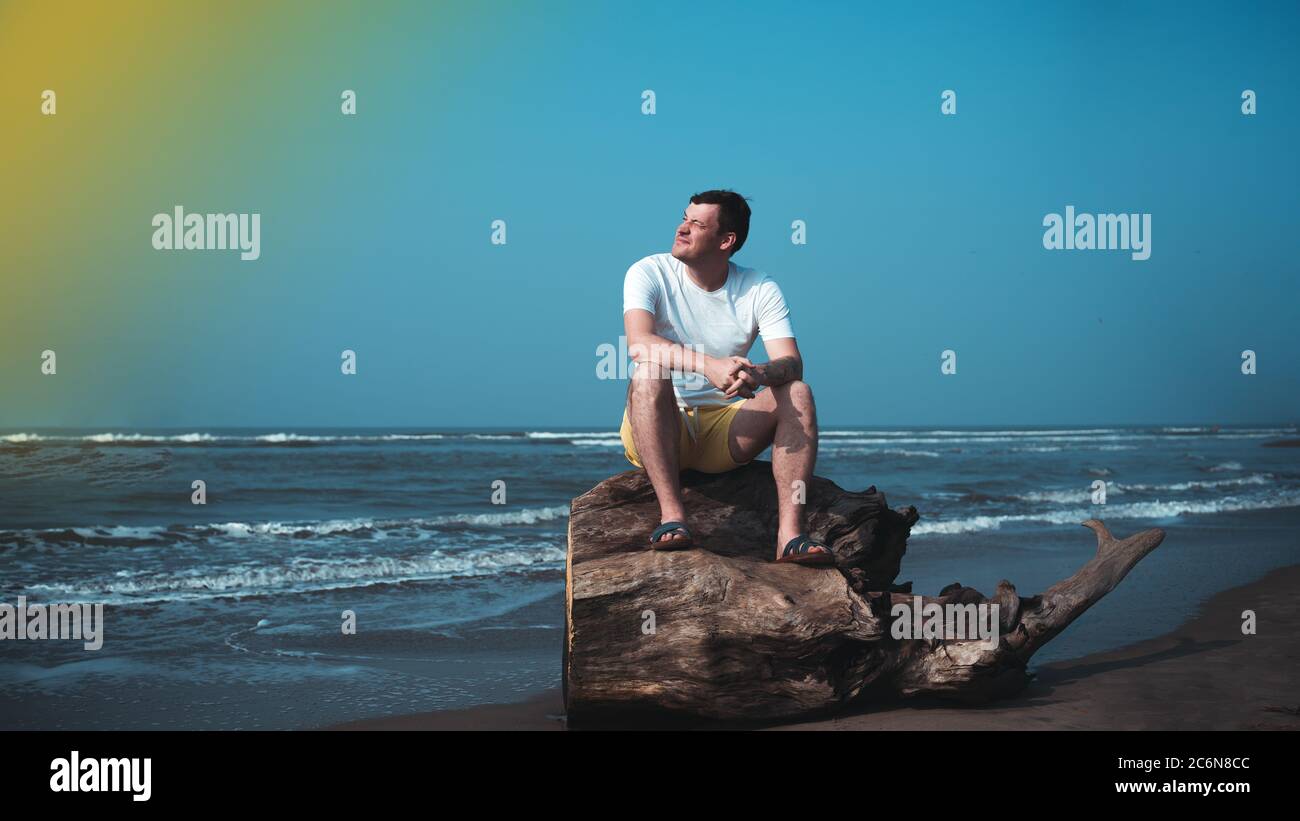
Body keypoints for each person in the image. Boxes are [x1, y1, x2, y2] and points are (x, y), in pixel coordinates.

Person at [619, 189, 832, 565]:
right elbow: (639, 344)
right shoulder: (648, 271)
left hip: (726, 431)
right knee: (648, 371)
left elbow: (792, 363)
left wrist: (757, 373)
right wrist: (709, 366)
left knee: (797, 391)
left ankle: (789, 537)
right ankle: (673, 518)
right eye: (684, 218)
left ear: (725, 240)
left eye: (696, 224)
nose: (682, 228)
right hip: (661, 424)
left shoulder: (759, 287)